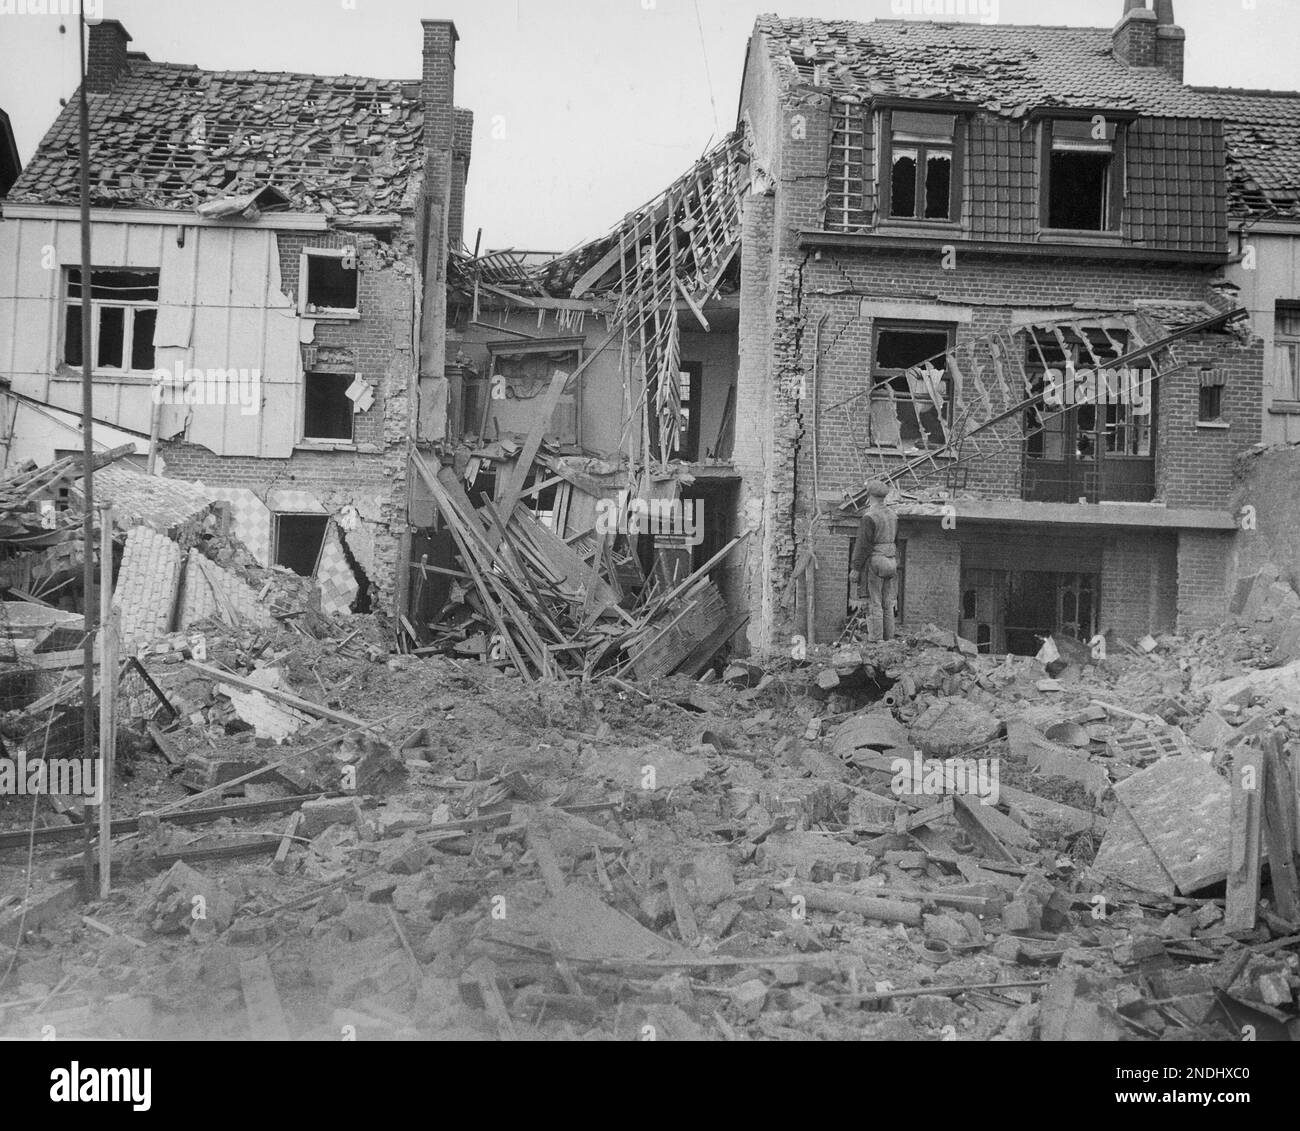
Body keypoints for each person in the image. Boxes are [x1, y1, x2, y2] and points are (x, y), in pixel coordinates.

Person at [848, 480, 898, 642]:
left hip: (876, 562)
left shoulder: (869, 517)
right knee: (887, 603)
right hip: (891, 562)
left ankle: (876, 641)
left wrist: (856, 568)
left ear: (869, 496)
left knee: (874, 603)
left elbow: (863, 545)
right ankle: (889, 639)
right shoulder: (893, 515)